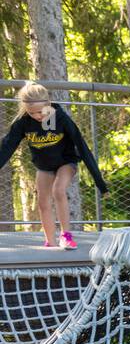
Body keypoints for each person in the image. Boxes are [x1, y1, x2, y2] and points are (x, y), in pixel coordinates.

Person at [0, 82, 109, 249]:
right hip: (44, 166)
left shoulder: (60, 118)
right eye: (32, 113)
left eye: (40, 111)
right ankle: (49, 241)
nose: (37, 116)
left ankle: (66, 236)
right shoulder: (24, 122)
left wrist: (100, 184)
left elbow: (82, 147)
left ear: (48, 104)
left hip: (66, 162)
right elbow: (7, 146)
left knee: (58, 190)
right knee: (43, 202)